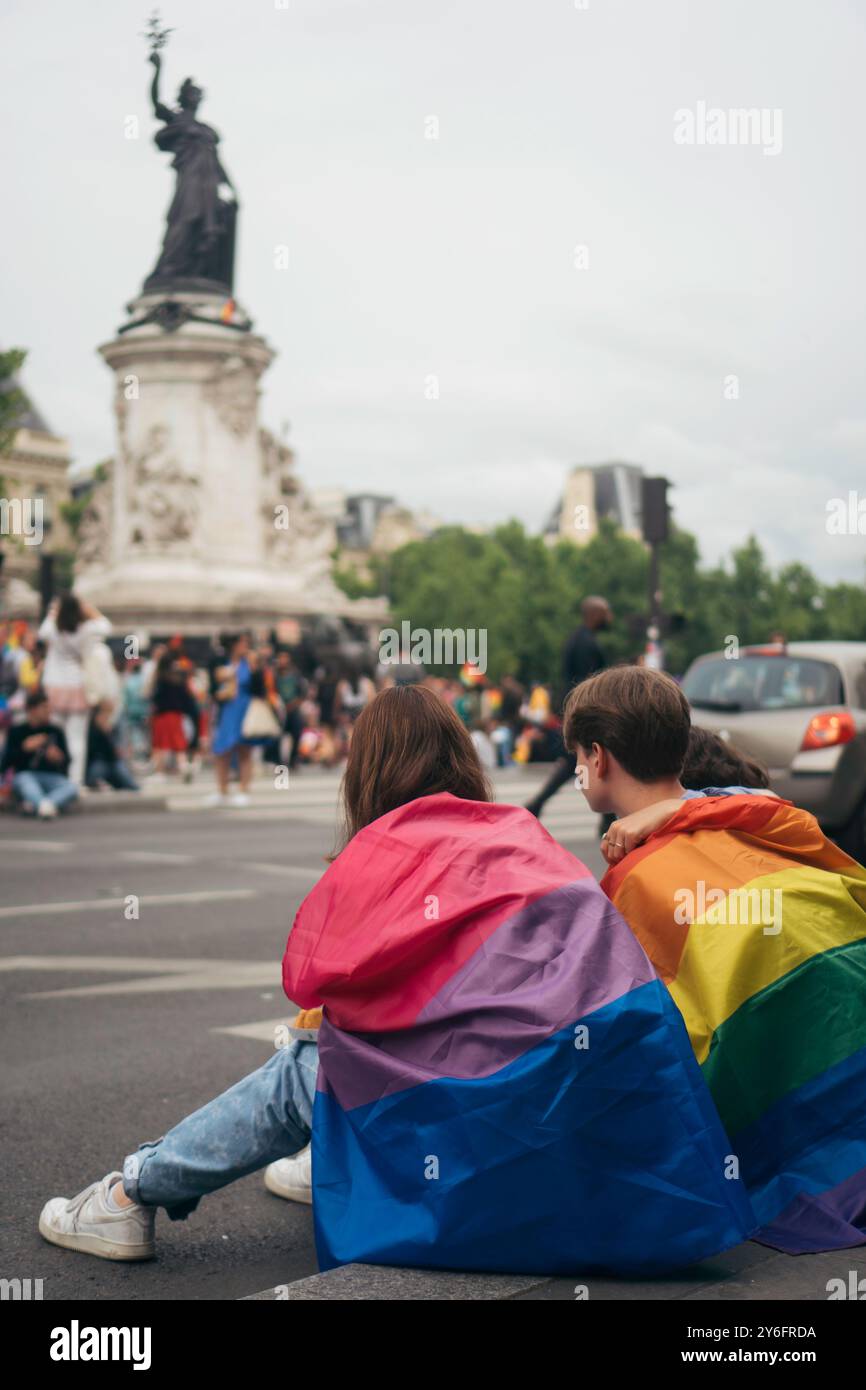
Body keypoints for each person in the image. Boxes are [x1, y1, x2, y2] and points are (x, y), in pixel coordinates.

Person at [39, 685, 752, 1274]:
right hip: (586, 1126)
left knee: (308, 1066)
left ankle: (132, 1194)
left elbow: (318, 990)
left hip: (485, 1133)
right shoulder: (517, 831)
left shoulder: (386, 851)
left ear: (368, 768)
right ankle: (304, 1160)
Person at [563, 664, 866, 1254]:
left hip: (804, 1113)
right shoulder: (761, 819)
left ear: (598, 759)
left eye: (576, 757)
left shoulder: (633, 884)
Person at [525, 595, 612, 819]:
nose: (609, 617)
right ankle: (609, 815)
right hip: (585, 710)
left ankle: (538, 804)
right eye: (605, 612)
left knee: (581, 760)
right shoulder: (587, 643)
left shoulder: (578, 638)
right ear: (594, 614)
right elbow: (589, 681)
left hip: (577, 708)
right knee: (595, 758)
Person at [38, 594, 111, 786]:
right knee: (77, 738)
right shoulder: (86, 629)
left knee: (55, 735)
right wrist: (90, 610)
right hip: (77, 686)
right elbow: (106, 626)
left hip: (54, 685)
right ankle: (75, 781)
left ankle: (57, 775)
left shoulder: (53, 629)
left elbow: (42, 631)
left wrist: (54, 611)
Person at [0, 688, 78, 818]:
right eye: (44, 707)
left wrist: (59, 758)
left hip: (51, 776)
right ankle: (44, 804)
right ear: (32, 709)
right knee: (26, 783)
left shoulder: (55, 731)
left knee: (71, 788)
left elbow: (67, 763)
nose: (49, 711)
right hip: (26, 776)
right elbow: (5, 764)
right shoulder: (17, 731)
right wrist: (24, 749)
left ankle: (39, 804)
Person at [209, 635, 257, 807]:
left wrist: (254, 666)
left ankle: (244, 789)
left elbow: (259, 684)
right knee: (222, 750)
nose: (245, 647)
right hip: (227, 708)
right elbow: (212, 686)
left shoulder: (250, 663)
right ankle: (222, 789)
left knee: (244, 750)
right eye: (242, 644)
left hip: (245, 708)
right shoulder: (222, 663)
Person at [86, 702, 140, 792]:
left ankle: (126, 783)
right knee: (113, 766)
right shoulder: (93, 731)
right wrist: (104, 733)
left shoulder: (108, 729)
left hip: (110, 762)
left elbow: (112, 752)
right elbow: (102, 751)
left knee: (119, 769)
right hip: (99, 763)